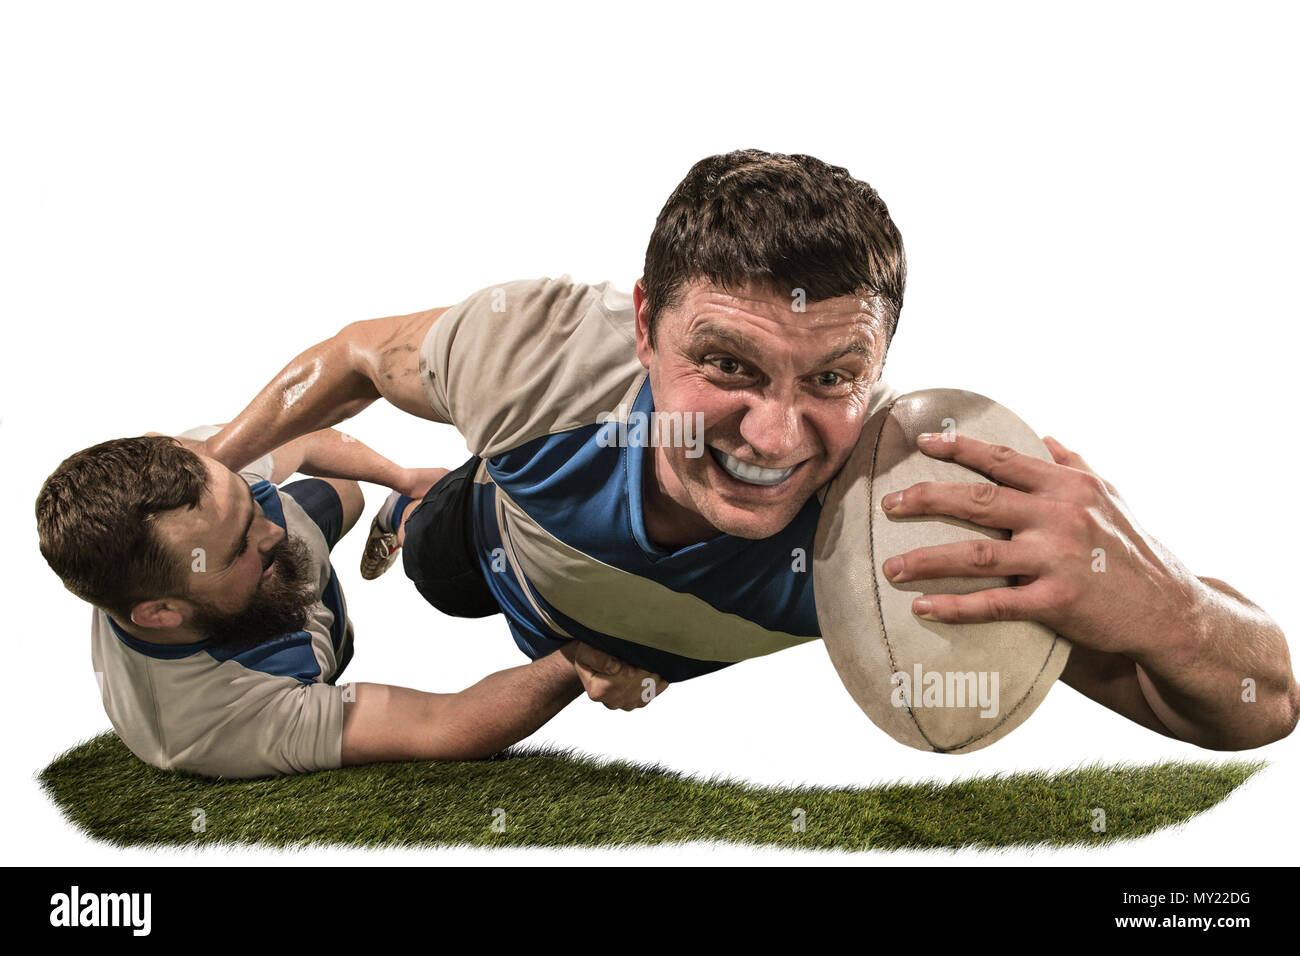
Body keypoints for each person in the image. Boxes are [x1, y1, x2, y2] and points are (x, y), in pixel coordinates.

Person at [197, 148, 1296, 749]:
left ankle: (578, 649)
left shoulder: (908, 522)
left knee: (599, 666)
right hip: (497, 540)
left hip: (615, 648)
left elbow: (1259, 708)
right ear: (640, 325)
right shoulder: (532, 355)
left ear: (881, 363)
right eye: (726, 366)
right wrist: (216, 458)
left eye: (830, 378)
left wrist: (1173, 608)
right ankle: (416, 493)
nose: (776, 437)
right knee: (439, 568)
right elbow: (348, 354)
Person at [35, 425, 592, 779]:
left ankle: (397, 513)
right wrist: (582, 660)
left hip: (263, 581)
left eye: (246, 501)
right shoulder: (213, 723)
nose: (271, 532)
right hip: (289, 661)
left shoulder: (200, 487)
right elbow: (441, 723)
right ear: (160, 613)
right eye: (237, 547)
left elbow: (303, 439)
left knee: (344, 489)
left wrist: (402, 478)